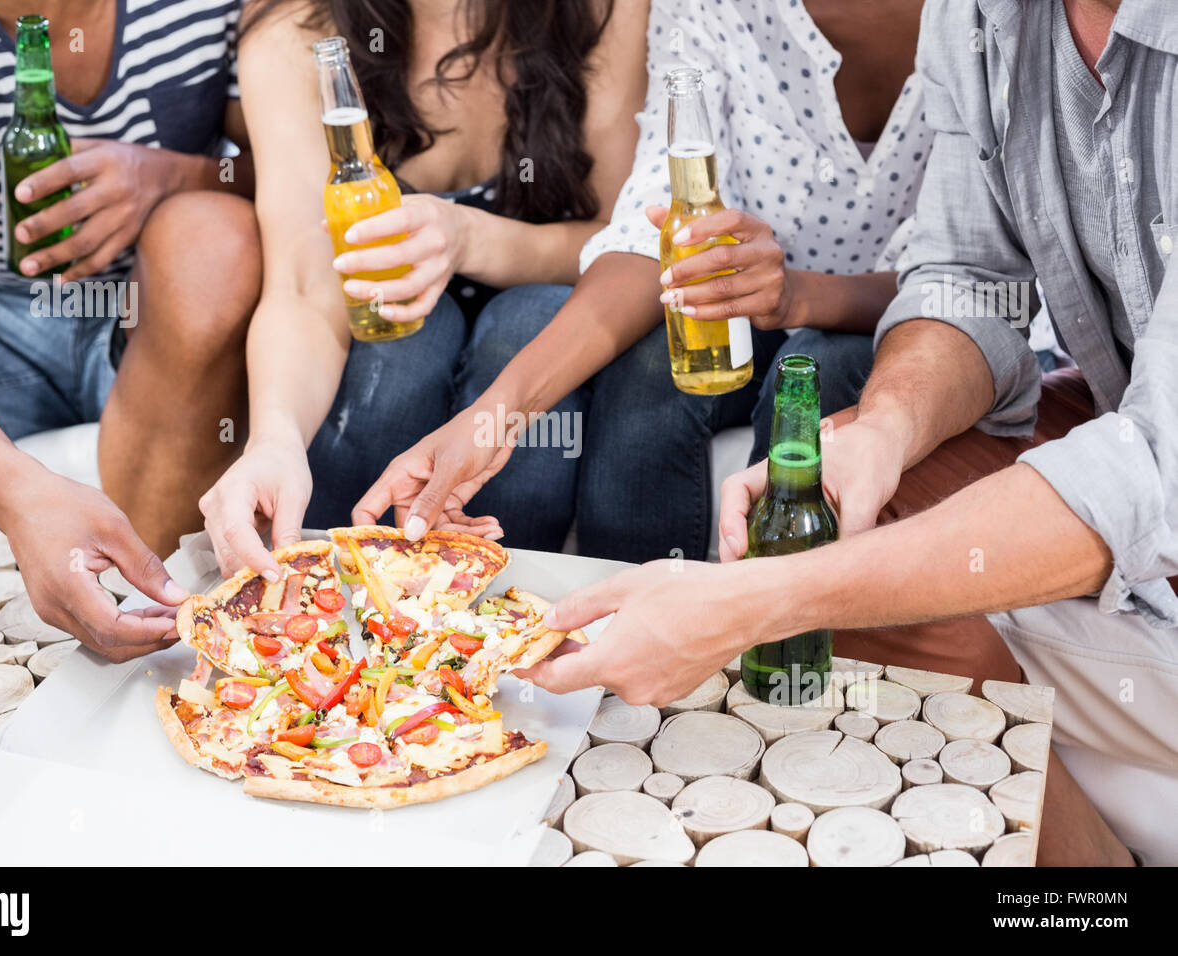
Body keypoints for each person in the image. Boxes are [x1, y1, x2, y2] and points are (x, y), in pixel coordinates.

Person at [520, 0, 1172, 866]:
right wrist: (886, 427)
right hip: (1124, 413)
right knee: (828, 518)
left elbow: (1153, 471)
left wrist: (752, 604)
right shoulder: (983, 13)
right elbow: (966, 278)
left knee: (819, 580)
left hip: (1154, 456)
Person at [356, 0, 937, 564]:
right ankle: (612, 631)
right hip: (743, 315)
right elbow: (645, 236)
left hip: (906, 325)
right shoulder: (706, 9)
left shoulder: (988, 24)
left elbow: (970, 280)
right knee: (650, 375)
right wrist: (493, 417)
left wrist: (795, 295)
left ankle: (781, 643)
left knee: (820, 367)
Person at [199, 0, 649, 578]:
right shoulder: (297, 31)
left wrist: (467, 239)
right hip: (382, 334)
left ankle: (515, 612)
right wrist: (273, 438)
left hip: (554, 319)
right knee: (403, 339)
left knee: (525, 320)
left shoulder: (601, 12)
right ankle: (339, 604)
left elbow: (627, 239)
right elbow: (304, 284)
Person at [0, 0, 260, 659]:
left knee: (216, 241)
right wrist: (19, 495)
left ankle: (149, 605)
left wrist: (169, 175)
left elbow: (302, 174)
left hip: (153, 303)